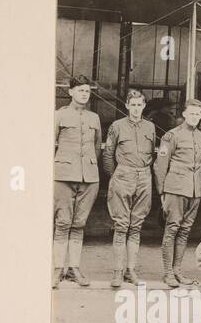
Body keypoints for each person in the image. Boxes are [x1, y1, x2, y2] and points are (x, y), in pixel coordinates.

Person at [101, 89, 158, 287]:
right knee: (121, 225)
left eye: (139, 105)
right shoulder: (117, 126)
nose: (136, 109)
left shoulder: (150, 127)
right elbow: (108, 154)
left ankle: (130, 270)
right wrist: (115, 176)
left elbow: (152, 153)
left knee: (136, 226)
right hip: (122, 175)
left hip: (144, 176)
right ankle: (117, 271)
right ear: (127, 106)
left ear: (144, 106)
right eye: (132, 105)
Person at [53, 74, 103, 287]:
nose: (84, 94)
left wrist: (88, 166)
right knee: (63, 223)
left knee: (79, 224)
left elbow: (97, 146)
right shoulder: (59, 115)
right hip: (63, 175)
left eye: (87, 91)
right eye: (80, 90)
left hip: (89, 177)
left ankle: (74, 268)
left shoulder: (94, 118)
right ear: (70, 92)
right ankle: (57, 269)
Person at [154, 97, 201, 288]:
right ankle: (168, 272)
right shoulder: (171, 136)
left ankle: (177, 270)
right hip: (175, 188)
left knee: (185, 231)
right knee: (172, 229)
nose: (194, 117)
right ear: (184, 114)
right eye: (191, 113)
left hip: (194, 190)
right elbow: (160, 165)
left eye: (197, 114)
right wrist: (162, 192)